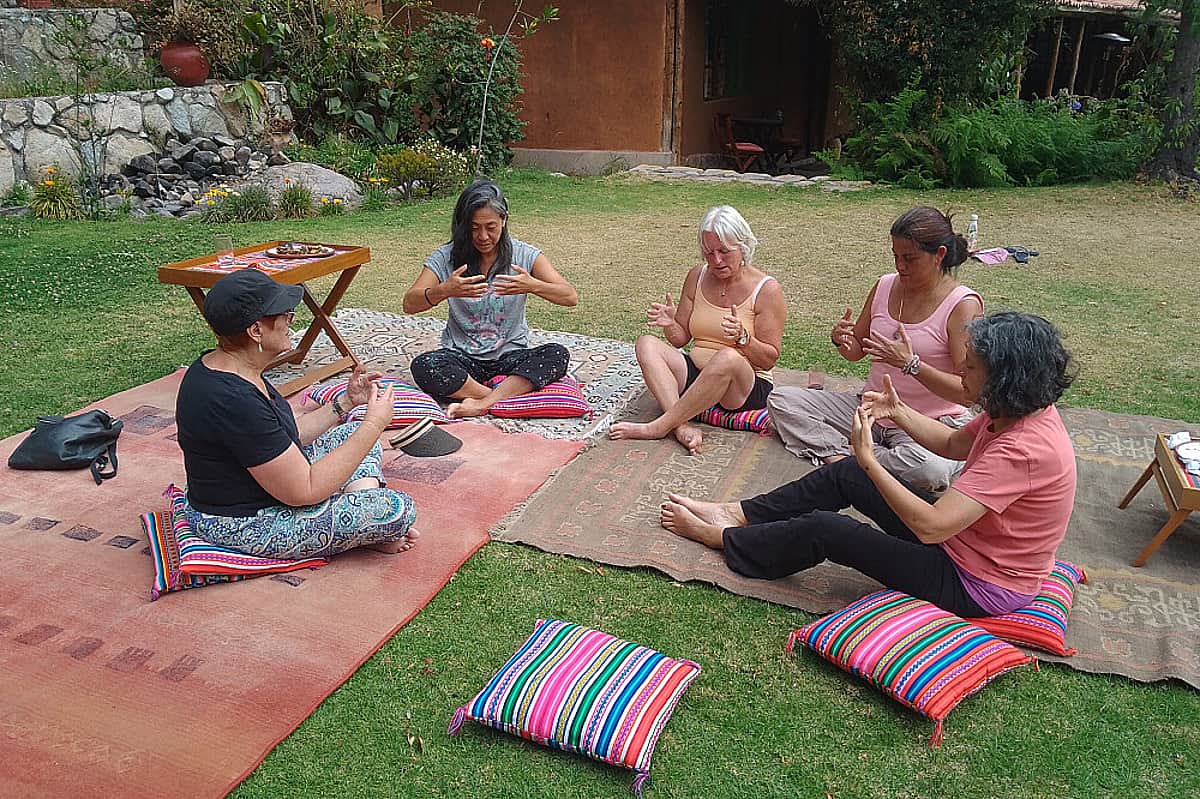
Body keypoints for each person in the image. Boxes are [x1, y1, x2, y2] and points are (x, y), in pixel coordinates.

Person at [661, 312, 1077, 618]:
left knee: (830, 529)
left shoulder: (1023, 448)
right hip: (963, 545)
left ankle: (728, 540)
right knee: (847, 474)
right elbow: (953, 442)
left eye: (970, 367)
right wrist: (897, 411)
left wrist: (871, 462)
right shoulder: (1014, 409)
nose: (960, 371)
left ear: (1003, 379)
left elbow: (932, 526)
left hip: (976, 584)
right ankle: (738, 512)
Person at [176, 268, 419, 559]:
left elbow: (285, 436)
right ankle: (366, 521)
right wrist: (375, 423)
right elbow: (305, 490)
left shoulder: (230, 366)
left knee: (350, 435)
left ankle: (364, 515)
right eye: (285, 315)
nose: (291, 321)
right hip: (244, 521)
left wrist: (346, 402)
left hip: (259, 483)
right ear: (256, 331)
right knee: (396, 509)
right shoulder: (232, 399)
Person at [768, 206, 983, 491]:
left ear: (939, 255)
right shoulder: (884, 285)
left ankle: (851, 456)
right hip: (870, 407)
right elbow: (857, 350)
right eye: (895, 256)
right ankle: (854, 457)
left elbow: (969, 393)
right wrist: (842, 340)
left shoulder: (962, 305)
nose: (900, 266)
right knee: (782, 402)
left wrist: (911, 364)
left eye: (910, 259)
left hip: (927, 422)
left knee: (929, 469)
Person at [610, 205, 786, 455]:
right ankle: (681, 426)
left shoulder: (767, 290)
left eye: (724, 252)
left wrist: (743, 339)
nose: (716, 260)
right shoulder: (697, 275)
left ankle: (658, 427)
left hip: (742, 388)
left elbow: (769, 359)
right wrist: (671, 324)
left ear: (743, 246)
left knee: (727, 357)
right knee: (646, 343)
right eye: (709, 252)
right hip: (697, 375)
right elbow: (681, 338)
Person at [403, 179, 579, 418]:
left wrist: (533, 285)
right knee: (425, 365)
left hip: (510, 356)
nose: (483, 236)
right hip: (462, 358)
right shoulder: (446, 257)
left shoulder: (524, 254)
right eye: (474, 228)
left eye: (491, 227)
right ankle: (500, 395)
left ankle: (483, 402)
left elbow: (570, 296)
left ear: (504, 221)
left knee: (557, 354)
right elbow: (409, 304)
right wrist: (444, 290)